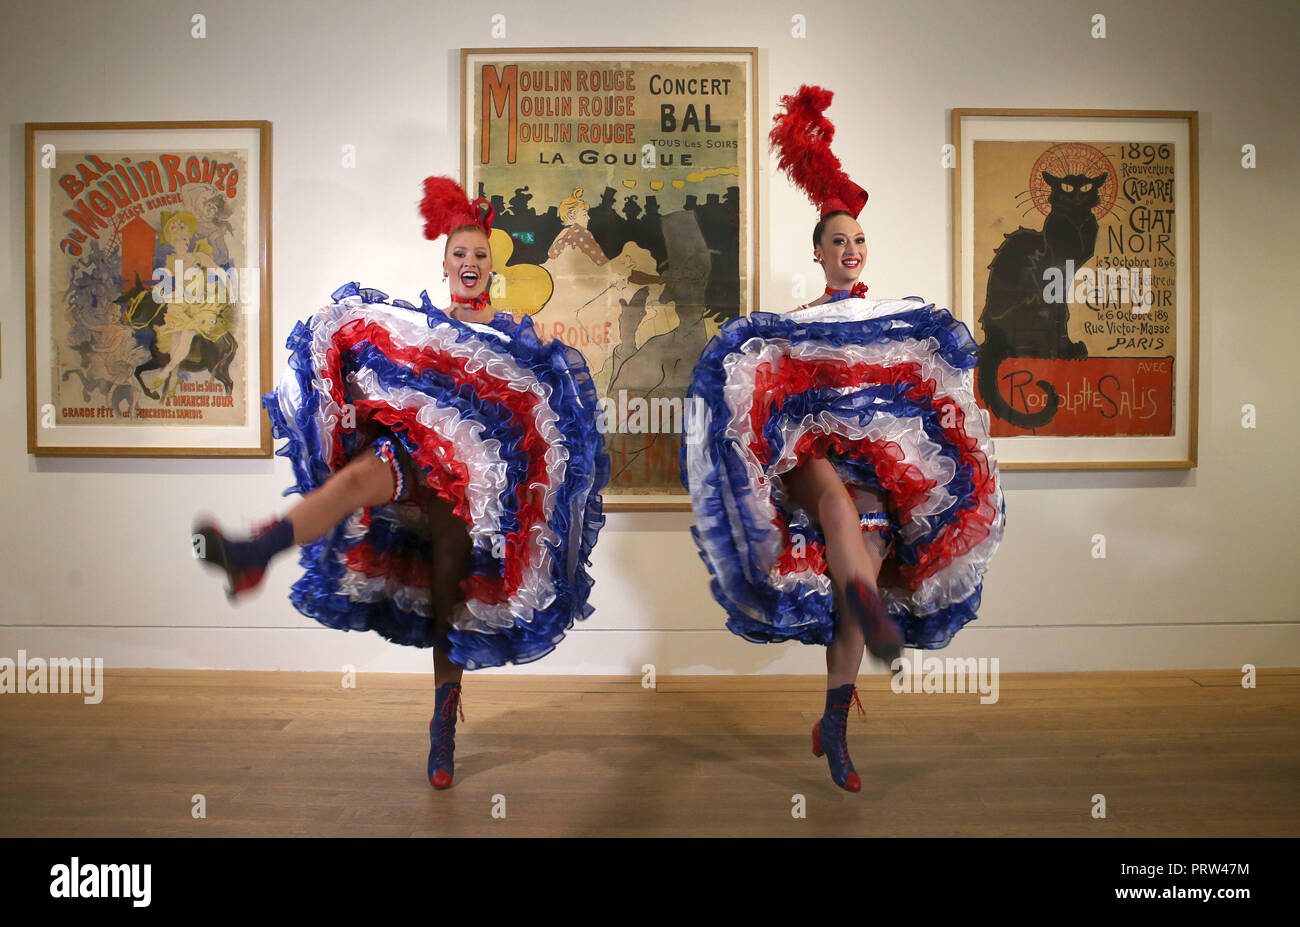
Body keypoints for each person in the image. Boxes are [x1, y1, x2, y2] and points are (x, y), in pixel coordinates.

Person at [193, 176, 609, 789]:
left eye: (479, 255)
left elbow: (544, 409)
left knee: (449, 588)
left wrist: (540, 364)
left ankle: (444, 718)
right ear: (443, 264)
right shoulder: (416, 326)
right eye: (459, 254)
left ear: (492, 266)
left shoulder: (510, 331)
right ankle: (256, 552)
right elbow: (372, 365)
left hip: (467, 491)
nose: (469, 263)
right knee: (353, 480)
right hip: (407, 459)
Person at [681, 86, 1005, 792]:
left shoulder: (895, 323)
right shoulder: (796, 323)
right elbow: (758, 386)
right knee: (831, 503)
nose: (851, 250)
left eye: (859, 240)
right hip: (805, 460)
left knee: (863, 547)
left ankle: (834, 720)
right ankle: (863, 613)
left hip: (871, 472)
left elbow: (929, 392)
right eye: (838, 241)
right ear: (818, 252)